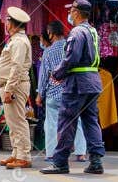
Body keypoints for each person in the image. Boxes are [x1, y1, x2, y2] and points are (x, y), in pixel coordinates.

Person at [42, 0, 105, 175]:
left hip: (77, 84)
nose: (69, 14)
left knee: (66, 121)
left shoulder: (77, 33)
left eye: (71, 11)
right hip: (92, 82)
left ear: (76, 13)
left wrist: (57, 74)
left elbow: (71, 58)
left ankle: (60, 162)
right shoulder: (92, 31)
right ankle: (96, 161)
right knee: (90, 121)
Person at [36, 21, 84, 160]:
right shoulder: (72, 48)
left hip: (53, 94)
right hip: (72, 91)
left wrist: (40, 94)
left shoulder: (48, 52)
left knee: (51, 124)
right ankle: (80, 153)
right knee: (77, 121)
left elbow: (44, 76)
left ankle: (51, 154)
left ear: (50, 34)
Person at [0, 7, 34, 169]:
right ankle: (17, 153)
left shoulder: (19, 42)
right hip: (10, 86)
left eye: (8, 21)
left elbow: (17, 67)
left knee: (18, 121)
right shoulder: (15, 40)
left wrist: (9, 89)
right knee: (12, 121)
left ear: (13, 24)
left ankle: (24, 156)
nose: (6, 23)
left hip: (15, 87)